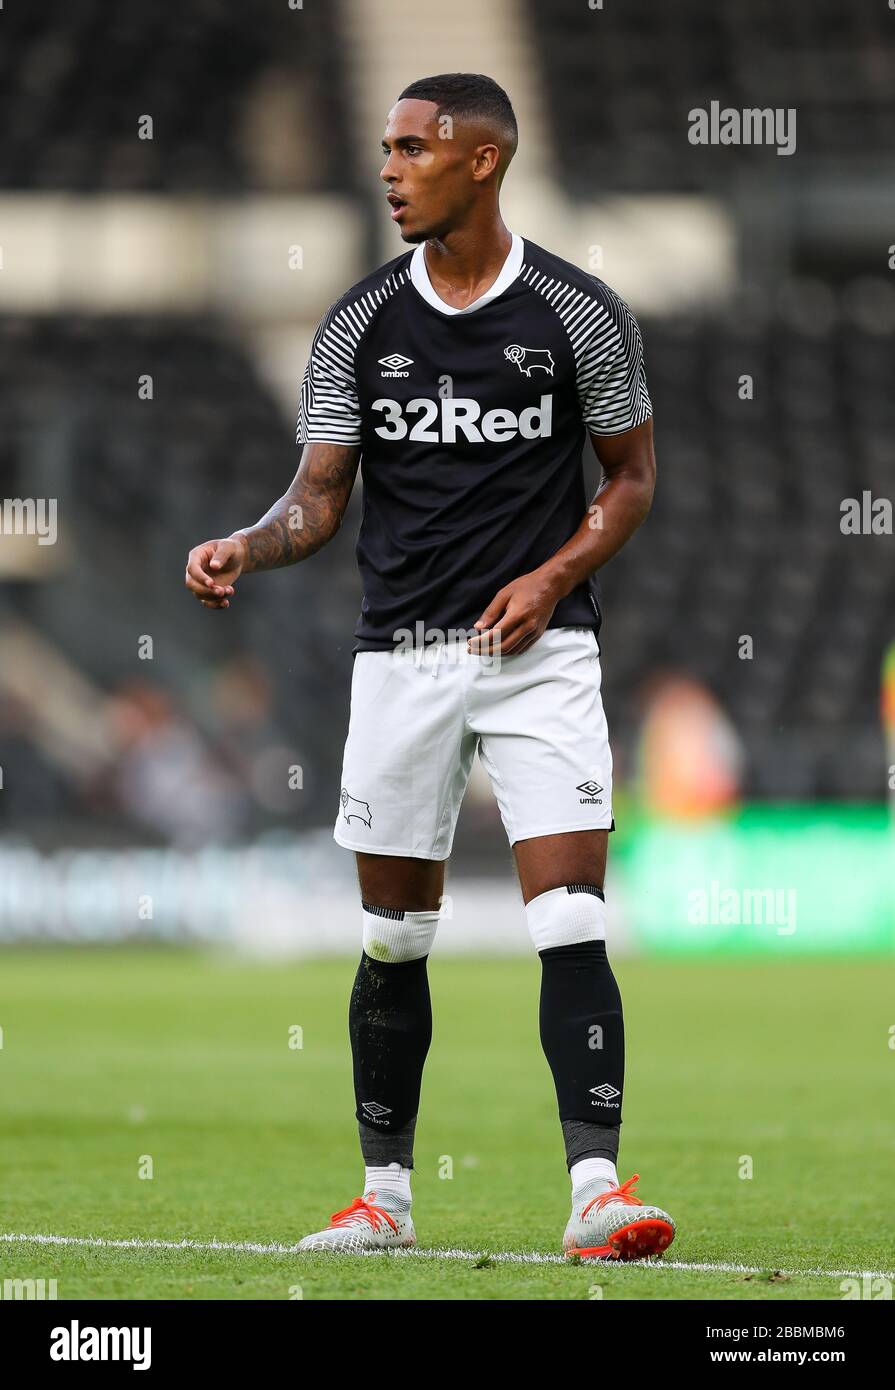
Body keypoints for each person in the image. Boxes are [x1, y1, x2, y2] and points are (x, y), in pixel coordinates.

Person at [185, 73, 674, 1261]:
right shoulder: (357, 321)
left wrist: (552, 578)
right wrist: (248, 544)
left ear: (484, 160)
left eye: (414, 148)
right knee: (396, 940)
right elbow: (317, 497)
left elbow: (630, 478)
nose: (391, 168)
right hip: (400, 661)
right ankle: (385, 1198)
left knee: (568, 918)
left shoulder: (578, 314)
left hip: (541, 655)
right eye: (387, 148)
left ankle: (596, 1192)